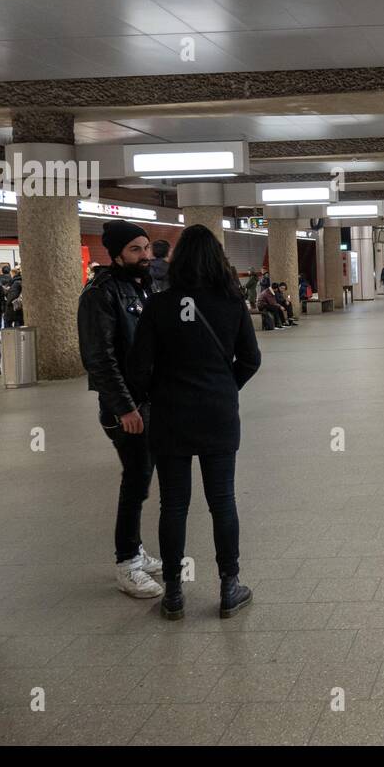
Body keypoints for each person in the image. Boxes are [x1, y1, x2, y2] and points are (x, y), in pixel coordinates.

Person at [127, 225, 261, 620]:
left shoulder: (158, 304)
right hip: (218, 414)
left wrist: (158, 391)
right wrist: (224, 387)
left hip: (171, 416)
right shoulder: (232, 303)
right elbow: (250, 359)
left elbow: (137, 369)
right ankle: (229, 585)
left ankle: (172, 593)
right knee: (222, 501)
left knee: (174, 505)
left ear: (178, 261)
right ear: (218, 261)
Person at [77, 221, 165, 598]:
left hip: (148, 400)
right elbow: (99, 358)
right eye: (135, 250)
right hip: (126, 408)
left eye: (146, 248)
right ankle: (126, 561)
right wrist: (125, 408)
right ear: (115, 255)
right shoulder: (100, 294)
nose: (145, 256)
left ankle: (135, 550)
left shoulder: (140, 287)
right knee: (135, 481)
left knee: (141, 479)